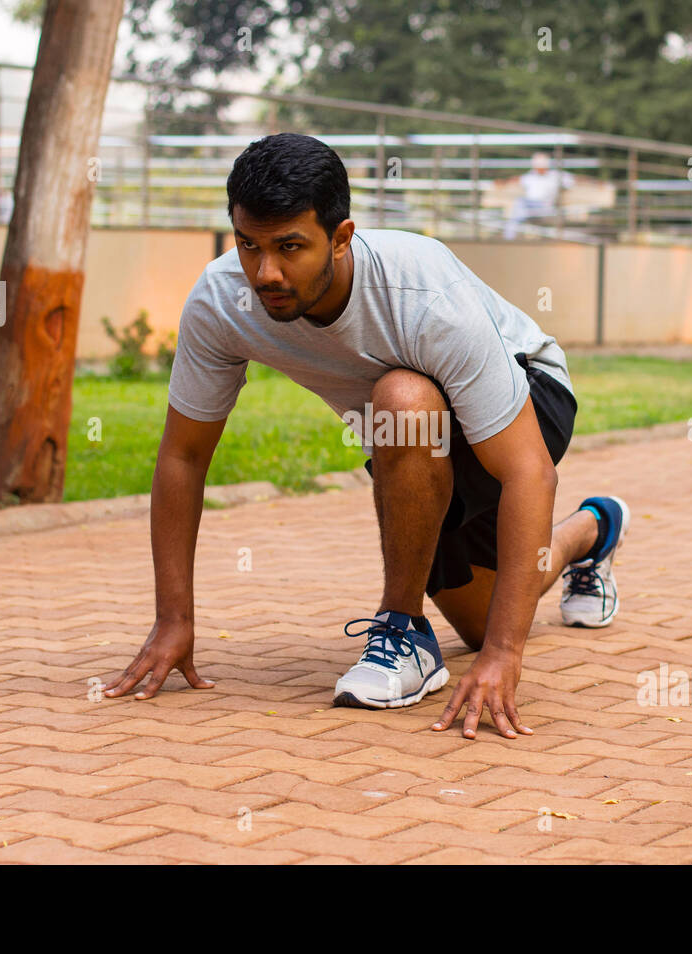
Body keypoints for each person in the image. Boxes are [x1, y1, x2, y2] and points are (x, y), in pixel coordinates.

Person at [104, 133, 630, 740]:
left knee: (401, 396)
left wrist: (506, 657)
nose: (265, 272)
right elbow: (183, 457)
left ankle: (402, 629)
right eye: (248, 244)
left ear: (342, 236)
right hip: (408, 440)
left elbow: (529, 473)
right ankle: (593, 530)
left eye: (290, 247)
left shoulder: (423, 293)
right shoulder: (222, 302)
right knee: (486, 622)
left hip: (527, 396)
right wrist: (174, 619)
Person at [502, 151, 575, 239]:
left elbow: (573, 181)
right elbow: (516, 180)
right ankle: (511, 235)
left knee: (520, 204)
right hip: (530, 207)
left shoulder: (555, 175)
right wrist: (503, 182)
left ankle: (509, 236)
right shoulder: (531, 176)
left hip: (546, 207)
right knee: (520, 206)